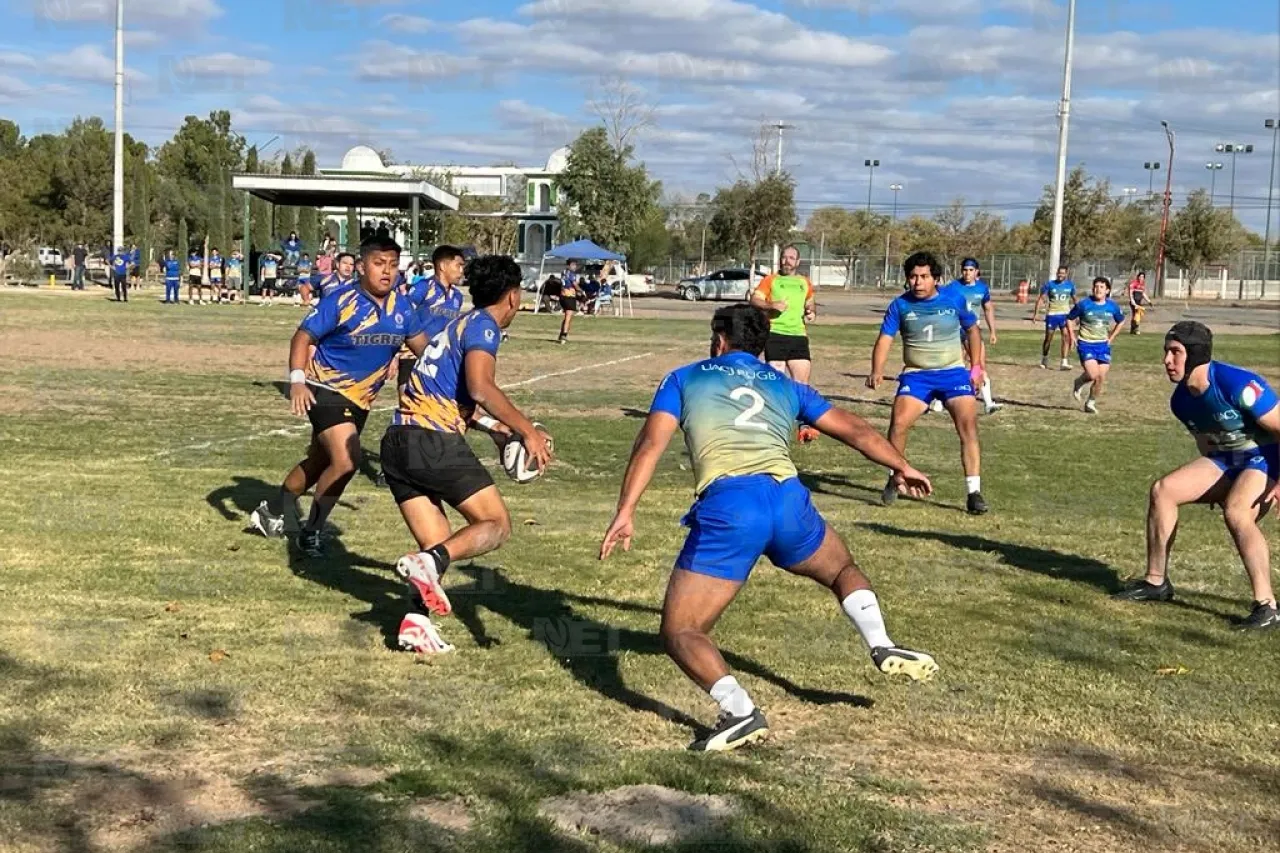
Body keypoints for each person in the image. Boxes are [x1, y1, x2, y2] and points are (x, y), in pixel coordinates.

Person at [599, 304, 939, 752]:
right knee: (841, 571)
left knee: (682, 631)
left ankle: (738, 711)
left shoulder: (684, 377)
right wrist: (901, 465)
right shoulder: (786, 384)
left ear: (720, 340)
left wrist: (626, 510)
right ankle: (882, 643)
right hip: (787, 500)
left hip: (732, 507)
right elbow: (853, 429)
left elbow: (650, 444)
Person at [382, 255, 551, 653]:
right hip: (431, 441)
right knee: (495, 523)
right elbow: (480, 387)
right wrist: (528, 432)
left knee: (439, 542)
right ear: (512, 296)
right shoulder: (483, 326)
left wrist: (495, 429)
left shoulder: (455, 326)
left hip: (397, 443)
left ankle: (415, 624)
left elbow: (451, 395)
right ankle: (431, 564)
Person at [249, 236, 428, 556]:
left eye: (393, 266)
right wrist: (297, 381)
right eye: (378, 264)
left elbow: (424, 352)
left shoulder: (403, 308)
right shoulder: (340, 300)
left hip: (361, 401)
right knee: (347, 460)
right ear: (361, 266)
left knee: (320, 463)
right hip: (325, 390)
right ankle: (311, 532)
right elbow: (302, 337)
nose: (387, 272)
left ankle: (273, 511)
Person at [1113, 321, 1279, 631]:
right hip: (1228, 460)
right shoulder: (1181, 400)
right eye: (1166, 352)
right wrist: (1217, 485)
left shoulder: (1237, 384)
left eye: (1175, 352)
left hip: (1268, 458)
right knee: (1164, 490)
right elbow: (1208, 448)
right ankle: (1156, 581)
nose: (1166, 360)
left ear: (1197, 355)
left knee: (1237, 511)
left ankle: (1267, 605)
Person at [867, 251, 988, 515]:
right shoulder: (899, 305)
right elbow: (885, 338)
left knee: (968, 426)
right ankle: (895, 476)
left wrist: (977, 367)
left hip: (953, 373)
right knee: (898, 423)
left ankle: (974, 492)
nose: (918, 282)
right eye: (913, 277)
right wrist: (877, 369)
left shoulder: (954, 298)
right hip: (916, 375)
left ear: (936, 279)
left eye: (924, 276)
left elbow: (973, 331)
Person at [750, 244, 821, 443]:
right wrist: (771, 305)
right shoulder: (771, 280)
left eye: (791, 257)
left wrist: (811, 312)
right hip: (775, 334)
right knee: (776, 383)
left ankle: (804, 425)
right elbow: (754, 299)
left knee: (801, 385)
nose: (786, 261)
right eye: (784, 257)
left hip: (798, 336)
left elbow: (810, 302)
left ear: (798, 262)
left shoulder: (804, 282)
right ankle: (774, 423)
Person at [396, 244, 467, 391]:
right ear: (442, 266)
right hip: (412, 356)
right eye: (458, 265)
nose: (461, 271)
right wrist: (394, 354)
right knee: (408, 404)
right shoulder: (423, 288)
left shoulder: (457, 297)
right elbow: (402, 317)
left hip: (439, 358)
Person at [942, 258, 1002, 416]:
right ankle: (939, 400)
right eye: (965, 270)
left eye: (970, 270)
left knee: (980, 364)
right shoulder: (953, 287)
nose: (967, 273)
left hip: (973, 332)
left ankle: (988, 403)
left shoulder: (982, 288)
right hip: (955, 331)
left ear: (976, 272)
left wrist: (993, 331)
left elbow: (988, 309)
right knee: (950, 365)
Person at [1066, 277, 1126, 413]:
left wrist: (1111, 337)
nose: (1098, 289)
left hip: (1103, 345)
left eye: (1101, 287)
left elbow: (1121, 321)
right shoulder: (1084, 304)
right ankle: (1079, 382)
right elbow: (1069, 319)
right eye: (1096, 286)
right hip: (1086, 343)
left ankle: (1090, 403)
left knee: (1100, 377)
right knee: (1093, 374)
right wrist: (1072, 336)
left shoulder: (1112, 306)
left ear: (1107, 290)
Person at [1031, 265, 1077, 370]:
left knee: (1066, 336)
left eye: (1063, 273)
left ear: (1066, 274)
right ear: (1057, 273)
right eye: (1059, 273)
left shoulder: (1070, 285)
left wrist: (1077, 314)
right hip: (1052, 314)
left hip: (1065, 315)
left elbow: (1075, 300)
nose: (1061, 275)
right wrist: (1036, 313)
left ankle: (1064, 362)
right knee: (1048, 338)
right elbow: (1041, 299)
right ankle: (1044, 359)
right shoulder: (1050, 285)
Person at [558, 259, 581, 344]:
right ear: (568, 265)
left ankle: (561, 334)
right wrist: (581, 291)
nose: (575, 266)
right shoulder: (571, 273)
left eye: (575, 265)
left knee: (567, 316)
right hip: (569, 296)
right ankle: (564, 335)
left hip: (562, 296)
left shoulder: (563, 272)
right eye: (573, 265)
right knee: (568, 317)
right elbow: (574, 284)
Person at [1127, 271, 1151, 336]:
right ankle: (1136, 329)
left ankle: (1132, 329)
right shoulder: (1134, 284)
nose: (1141, 278)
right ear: (1138, 277)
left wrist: (1149, 301)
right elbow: (1131, 293)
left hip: (1139, 302)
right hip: (1134, 302)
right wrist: (1133, 302)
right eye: (1140, 276)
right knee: (1137, 314)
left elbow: (1143, 294)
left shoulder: (1142, 285)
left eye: (1143, 277)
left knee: (1135, 315)